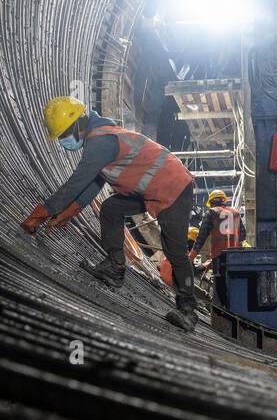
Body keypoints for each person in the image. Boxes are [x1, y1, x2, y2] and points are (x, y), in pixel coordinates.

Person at [20, 96, 200, 332]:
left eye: (64, 135)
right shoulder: (100, 139)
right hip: (151, 189)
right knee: (111, 209)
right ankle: (114, 269)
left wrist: (39, 215)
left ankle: (188, 310)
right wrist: (67, 214)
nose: (64, 141)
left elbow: (76, 184)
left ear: (77, 125)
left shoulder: (101, 142)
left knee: (174, 250)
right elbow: (91, 187)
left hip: (174, 186)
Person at [190, 190, 245, 267]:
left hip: (219, 258)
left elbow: (201, 238)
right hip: (237, 257)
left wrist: (190, 258)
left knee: (221, 278)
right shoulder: (236, 213)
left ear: (211, 202)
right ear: (224, 201)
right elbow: (243, 235)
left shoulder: (211, 213)